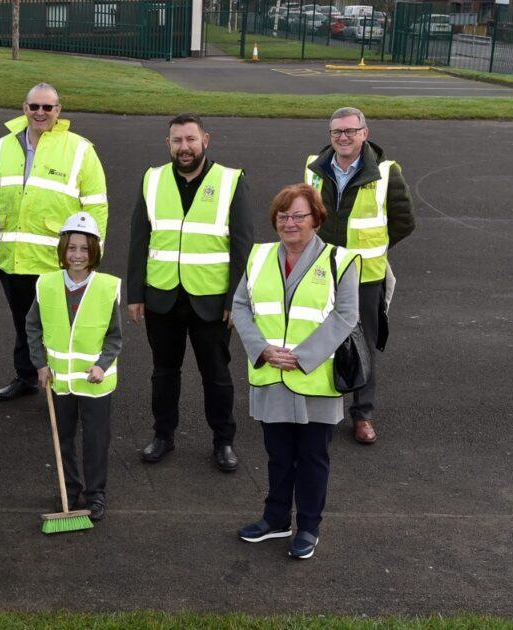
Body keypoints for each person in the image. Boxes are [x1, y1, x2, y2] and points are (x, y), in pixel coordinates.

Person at [232, 184, 360, 560]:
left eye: (298, 215)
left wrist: (303, 357)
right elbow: (241, 306)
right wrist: (261, 349)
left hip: (314, 379)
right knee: (277, 455)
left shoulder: (340, 260)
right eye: (283, 216)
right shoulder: (257, 258)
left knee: (313, 457)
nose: (289, 223)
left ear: (316, 219)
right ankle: (275, 520)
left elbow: (346, 315)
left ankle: (308, 526)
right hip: (270, 373)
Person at [126, 113, 254, 472]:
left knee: (216, 374)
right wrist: (135, 293)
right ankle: (163, 435)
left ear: (205, 141)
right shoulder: (152, 180)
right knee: (164, 372)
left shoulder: (230, 181)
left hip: (211, 302)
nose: (185, 147)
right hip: (162, 296)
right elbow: (139, 240)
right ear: (168, 144)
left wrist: (235, 300)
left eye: (191, 140)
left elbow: (242, 247)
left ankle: (223, 441)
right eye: (177, 141)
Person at [0, 83, 108, 402]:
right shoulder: (0, 147)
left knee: (60, 327)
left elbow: (96, 204)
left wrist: (92, 254)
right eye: (34, 106)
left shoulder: (80, 148)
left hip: (56, 261)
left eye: (47, 107)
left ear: (59, 111)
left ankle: (67, 386)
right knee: (25, 324)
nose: (40, 113)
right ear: (24, 108)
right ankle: (26, 377)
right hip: (11, 258)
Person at [304, 107, 414, 445]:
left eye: (350, 131)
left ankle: (363, 414)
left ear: (364, 133)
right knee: (321, 338)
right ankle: (323, 408)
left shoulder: (385, 173)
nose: (343, 137)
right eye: (336, 131)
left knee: (362, 344)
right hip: (323, 272)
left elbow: (403, 222)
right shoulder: (313, 169)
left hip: (365, 276)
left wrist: (375, 248)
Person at [27, 212, 122, 521]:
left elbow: (114, 338)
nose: (77, 255)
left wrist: (102, 365)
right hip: (58, 380)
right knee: (62, 437)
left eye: (84, 248)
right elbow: (33, 327)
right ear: (63, 250)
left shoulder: (107, 287)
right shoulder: (47, 284)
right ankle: (69, 488)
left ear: (93, 251)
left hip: (95, 382)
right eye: (72, 248)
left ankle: (96, 495)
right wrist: (40, 365)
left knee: (96, 439)